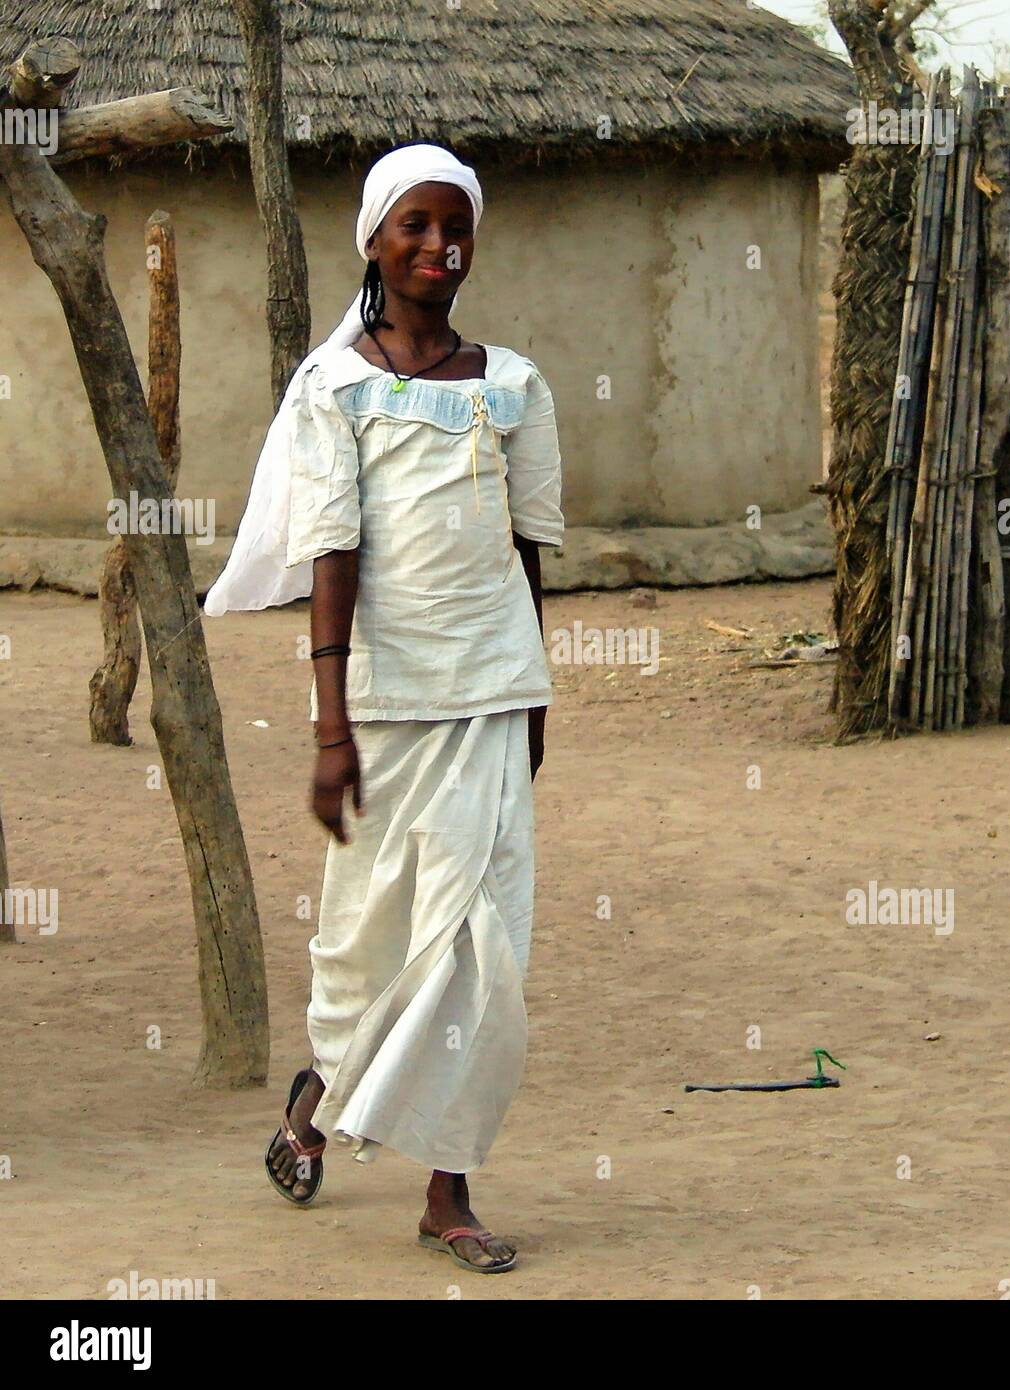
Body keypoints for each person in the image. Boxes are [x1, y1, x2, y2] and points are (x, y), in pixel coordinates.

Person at [204, 143, 564, 1274]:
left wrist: (536, 687)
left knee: (485, 943)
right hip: (387, 699)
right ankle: (317, 1091)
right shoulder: (336, 387)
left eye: (455, 226)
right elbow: (333, 549)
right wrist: (328, 725)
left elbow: (529, 553)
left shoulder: (513, 384)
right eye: (413, 223)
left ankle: (446, 1188)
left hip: (494, 689)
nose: (436, 245)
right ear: (372, 237)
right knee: (371, 943)